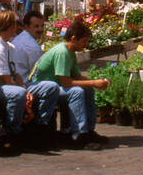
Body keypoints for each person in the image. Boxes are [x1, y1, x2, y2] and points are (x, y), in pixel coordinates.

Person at [0, 10, 60, 145]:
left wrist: (25, 89)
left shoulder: (9, 46)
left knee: (51, 87)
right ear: (8, 26)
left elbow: (16, 74)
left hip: (5, 87)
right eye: (14, 25)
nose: (16, 27)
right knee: (18, 93)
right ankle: (14, 131)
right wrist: (25, 94)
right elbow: (5, 79)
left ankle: (41, 127)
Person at [29, 20, 110, 150]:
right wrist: (94, 82)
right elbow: (66, 82)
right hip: (43, 90)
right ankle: (78, 135)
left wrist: (94, 83)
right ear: (73, 39)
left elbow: (76, 76)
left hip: (55, 87)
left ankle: (89, 130)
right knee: (76, 92)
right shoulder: (62, 52)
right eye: (84, 41)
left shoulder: (70, 52)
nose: (86, 45)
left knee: (87, 89)